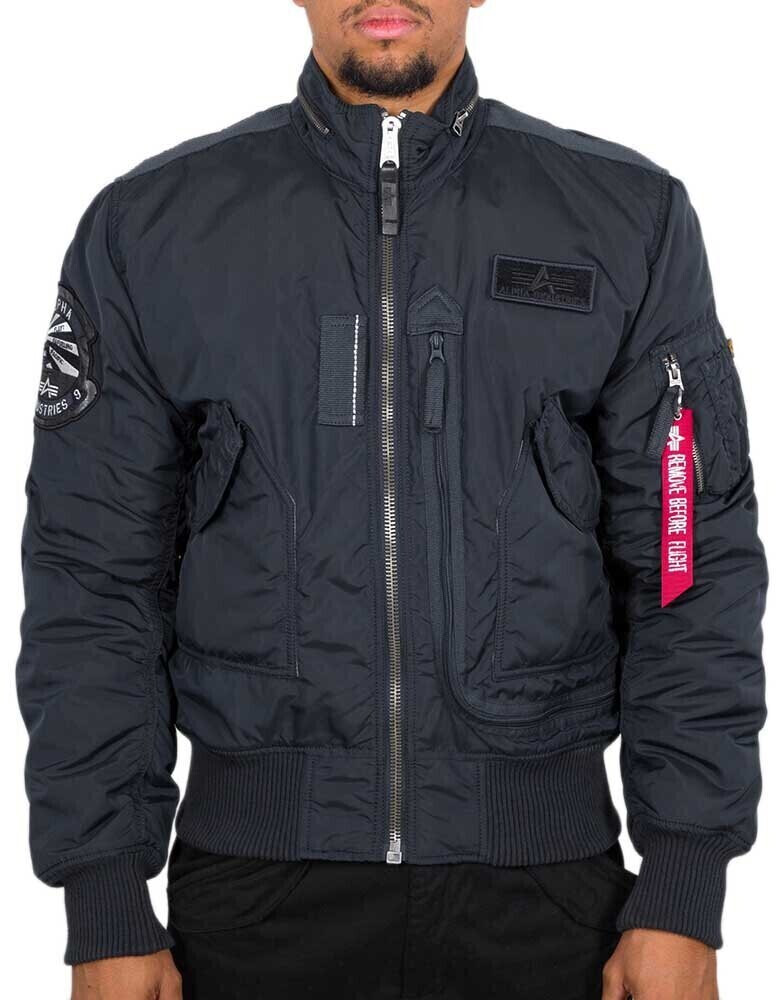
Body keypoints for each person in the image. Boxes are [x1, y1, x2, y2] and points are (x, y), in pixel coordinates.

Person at [17, 1, 767, 998]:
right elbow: (91, 578)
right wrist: (105, 895)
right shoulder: (150, 230)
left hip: (548, 899)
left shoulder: (626, 218)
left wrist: (682, 882)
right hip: (253, 900)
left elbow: (686, 563)